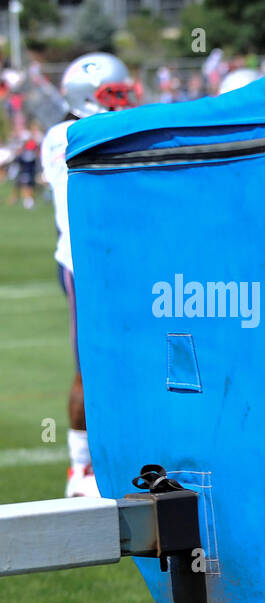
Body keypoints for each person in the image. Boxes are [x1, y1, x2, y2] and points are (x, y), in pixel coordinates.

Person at [41, 53, 140, 497]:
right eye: (113, 95)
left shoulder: (112, 129)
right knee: (89, 369)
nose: (124, 102)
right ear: (87, 98)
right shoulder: (63, 136)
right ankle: (80, 468)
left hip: (125, 263)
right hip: (85, 266)